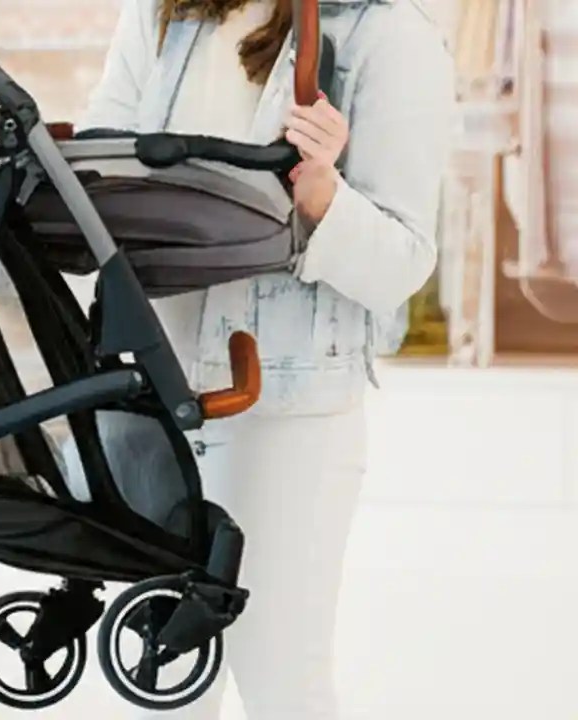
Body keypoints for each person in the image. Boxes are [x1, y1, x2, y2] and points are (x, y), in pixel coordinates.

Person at [77, 0, 455, 717]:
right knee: (162, 681)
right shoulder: (167, 13)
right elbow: (104, 155)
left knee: (281, 679)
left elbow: (403, 261)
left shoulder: (387, 36)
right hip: (153, 395)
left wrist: (323, 198)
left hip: (285, 414)